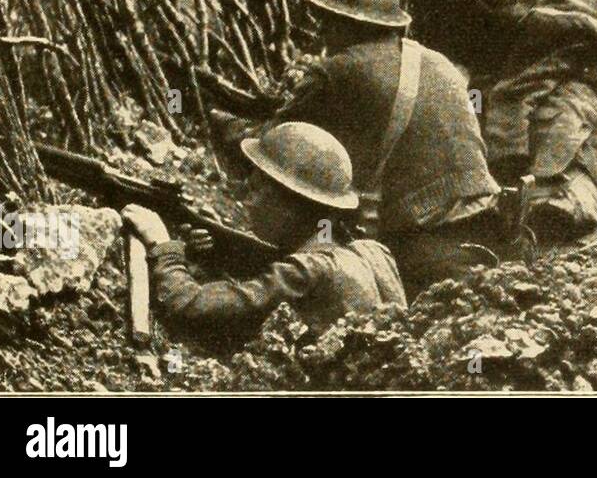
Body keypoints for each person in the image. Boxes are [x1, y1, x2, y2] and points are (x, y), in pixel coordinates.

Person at [278, 0, 504, 296]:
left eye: (326, 20)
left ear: (347, 24)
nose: (321, 31)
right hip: (492, 229)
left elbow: (277, 139)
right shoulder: (439, 62)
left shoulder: (338, 71)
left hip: (422, 249)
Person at [122, 122, 407, 346]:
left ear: (291, 205)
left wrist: (162, 244)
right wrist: (206, 253)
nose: (246, 199)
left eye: (258, 190)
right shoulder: (374, 252)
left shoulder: (307, 271)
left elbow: (188, 305)